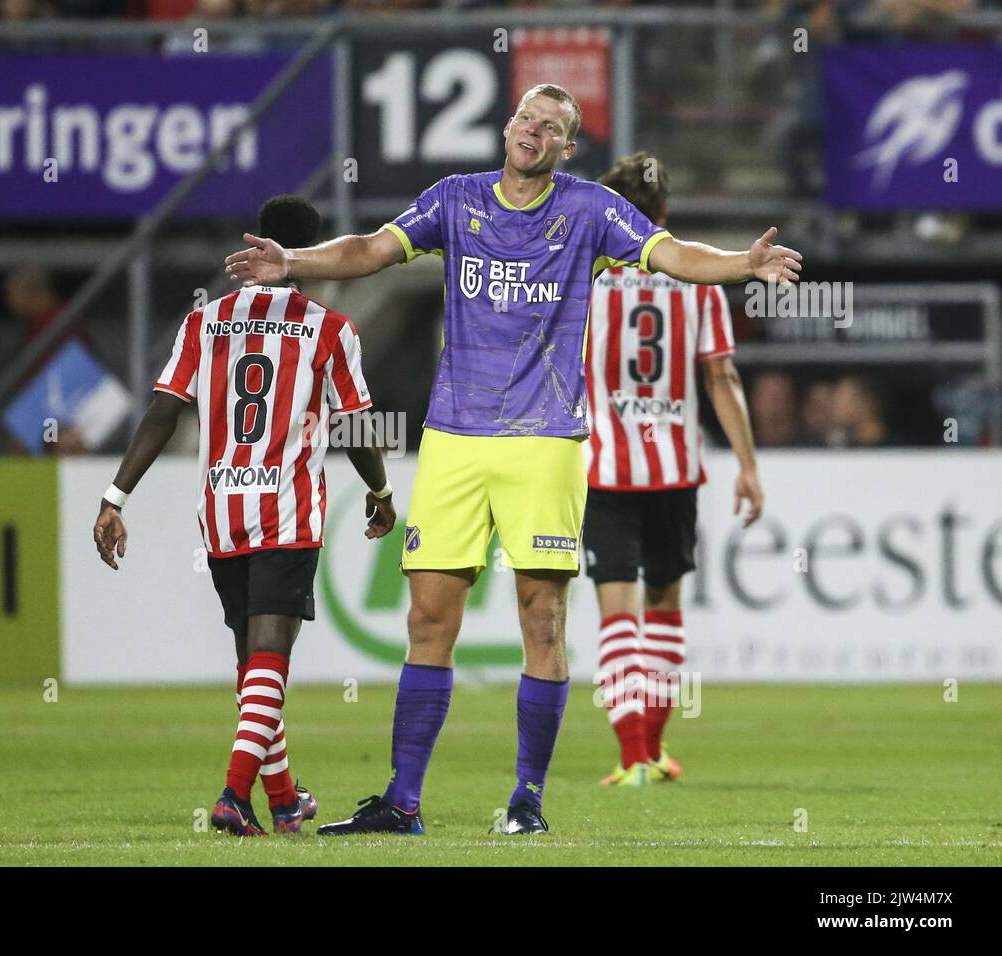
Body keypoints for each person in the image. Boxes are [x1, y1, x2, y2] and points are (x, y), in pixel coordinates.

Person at [226, 83, 801, 836]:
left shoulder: (591, 209)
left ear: (566, 148)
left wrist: (742, 264)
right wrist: (293, 259)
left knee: (544, 620)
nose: (533, 130)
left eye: (552, 126)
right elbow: (369, 251)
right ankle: (403, 801)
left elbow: (672, 256)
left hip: (544, 442)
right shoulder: (455, 199)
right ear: (508, 127)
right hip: (455, 439)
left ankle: (527, 799)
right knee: (428, 619)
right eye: (527, 117)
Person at [93, 195, 397, 837]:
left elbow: (162, 409)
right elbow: (354, 424)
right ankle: (234, 795)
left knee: (253, 665)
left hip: (222, 508)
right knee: (270, 660)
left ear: (258, 241)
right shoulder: (330, 329)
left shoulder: (205, 322)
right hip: (285, 510)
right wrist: (380, 492)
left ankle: (284, 799)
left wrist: (115, 496)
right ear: (312, 258)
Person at [582, 151, 764, 788]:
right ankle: (651, 749)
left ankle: (634, 754)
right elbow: (722, 375)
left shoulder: (591, 275)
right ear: (664, 211)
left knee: (617, 614)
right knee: (664, 604)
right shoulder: (696, 273)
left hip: (606, 467)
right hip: (677, 468)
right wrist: (747, 465)